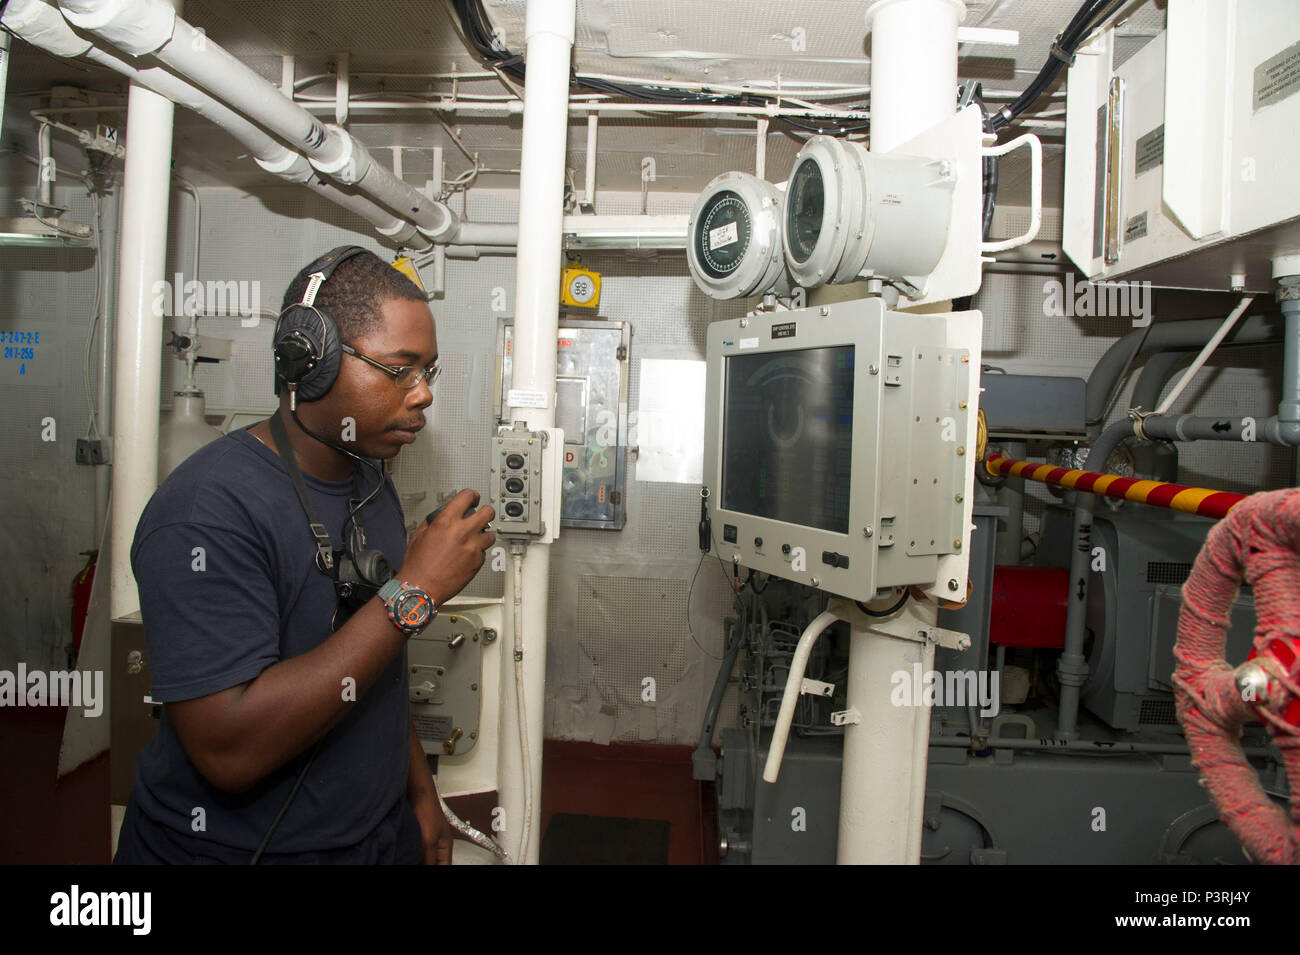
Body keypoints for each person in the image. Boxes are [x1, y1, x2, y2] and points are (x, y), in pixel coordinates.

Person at [114, 247, 495, 864]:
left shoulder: (370, 485)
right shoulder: (207, 512)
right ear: (308, 362)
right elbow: (229, 752)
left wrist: (421, 800)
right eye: (399, 370)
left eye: (429, 371)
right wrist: (414, 591)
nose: (422, 395)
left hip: (371, 836)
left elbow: (376, 668)